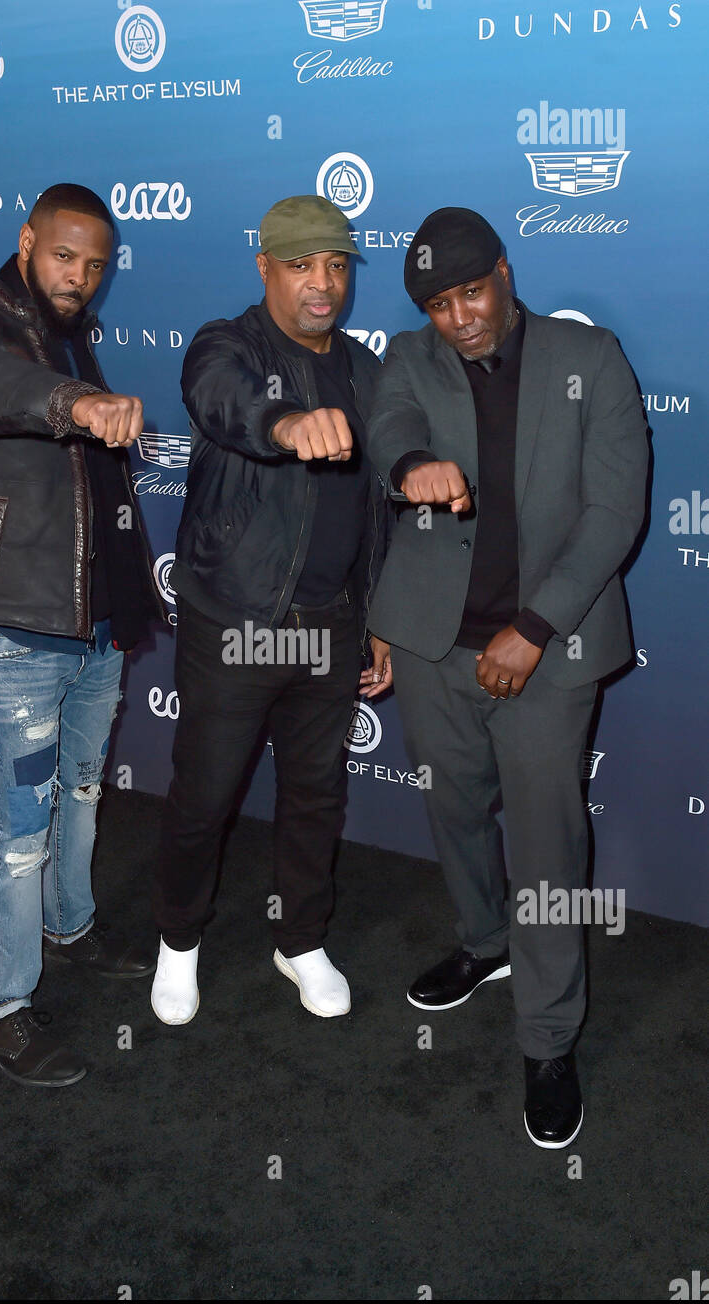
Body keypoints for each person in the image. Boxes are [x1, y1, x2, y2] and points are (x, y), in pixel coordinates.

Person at [366, 206, 648, 1146]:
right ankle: (486, 947)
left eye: (473, 291)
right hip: (433, 642)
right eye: (441, 303)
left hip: (547, 648)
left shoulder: (589, 358)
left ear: (506, 272)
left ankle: (549, 1037)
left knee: (546, 848)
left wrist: (533, 629)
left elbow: (616, 512)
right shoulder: (411, 358)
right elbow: (390, 426)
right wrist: (412, 467)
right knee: (453, 809)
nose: (462, 316)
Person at [0, 183, 163, 1087]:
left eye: (96, 265)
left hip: (90, 626)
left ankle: (70, 928)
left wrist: (127, 608)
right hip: (8, 627)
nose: (80, 277)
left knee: (83, 793)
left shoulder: (73, 339)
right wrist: (73, 401)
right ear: (26, 242)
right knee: (18, 821)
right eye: (66, 257)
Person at [150, 195, 390, 1025]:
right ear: (265, 268)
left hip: (334, 625)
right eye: (300, 266)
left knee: (316, 795)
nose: (321, 285)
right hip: (239, 623)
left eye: (334, 266)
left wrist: (379, 617)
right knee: (205, 795)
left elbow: (380, 506)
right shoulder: (229, 345)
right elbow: (221, 400)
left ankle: (301, 939)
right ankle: (178, 941)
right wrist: (285, 423)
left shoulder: (366, 370)